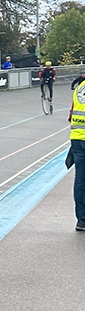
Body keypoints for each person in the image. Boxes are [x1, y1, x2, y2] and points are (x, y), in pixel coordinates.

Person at [69, 71, 85, 231]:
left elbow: (71, 115)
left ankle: (82, 220)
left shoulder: (78, 87)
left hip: (77, 137)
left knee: (80, 180)